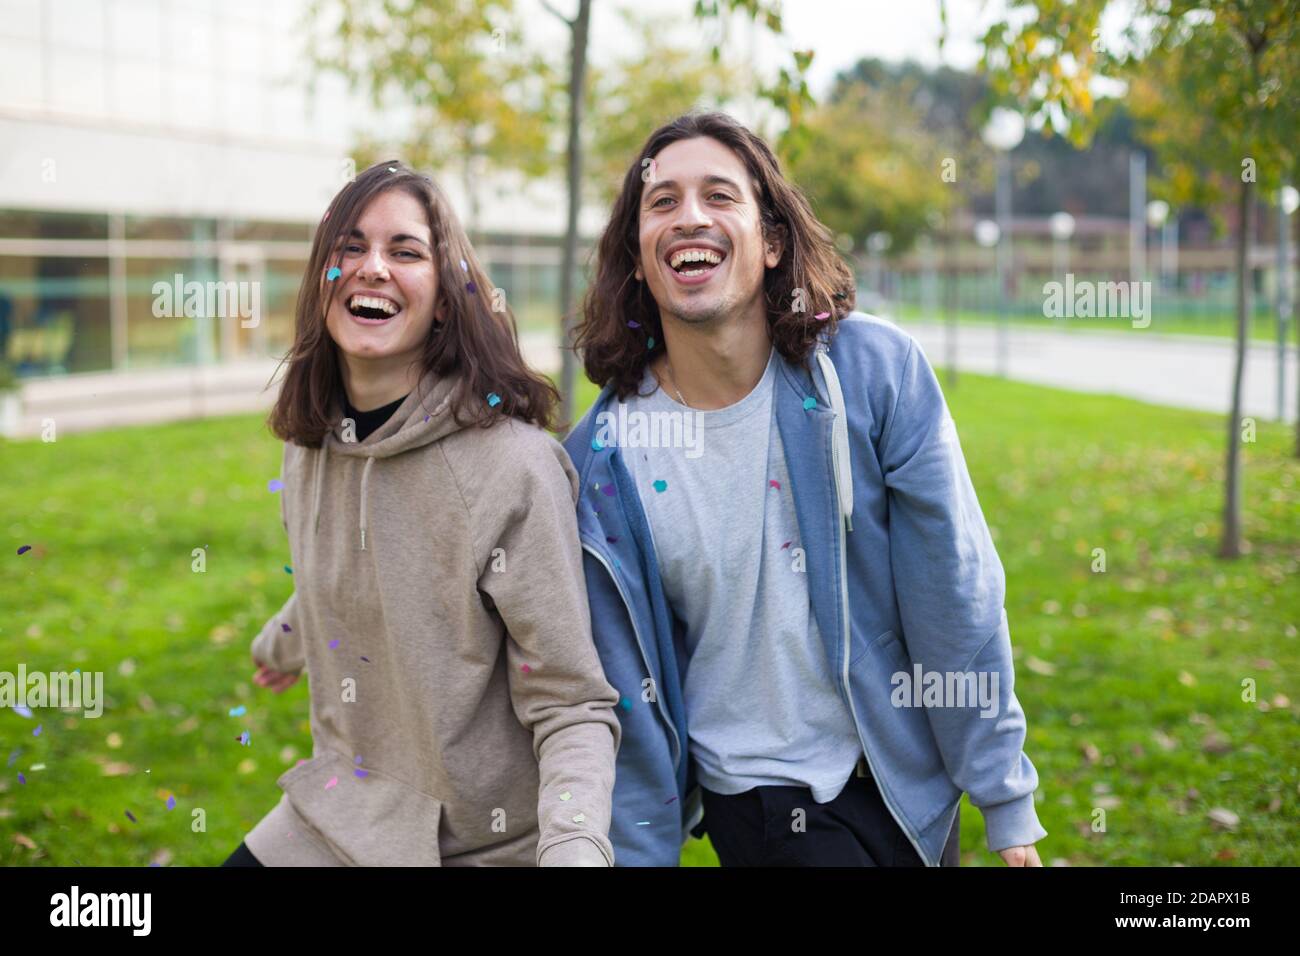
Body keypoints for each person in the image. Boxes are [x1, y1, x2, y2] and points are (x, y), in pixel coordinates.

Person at [563, 112, 1047, 867]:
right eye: (662, 202)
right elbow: (618, 686)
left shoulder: (874, 375)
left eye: (719, 195)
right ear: (636, 257)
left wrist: (1002, 793)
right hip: (762, 802)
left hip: (908, 782)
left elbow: (953, 588)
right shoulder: (602, 464)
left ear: (773, 238)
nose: (690, 215)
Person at [224, 160, 619, 867]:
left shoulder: (512, 468)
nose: (372, 267)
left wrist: (576, 846)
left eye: (405, 251)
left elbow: (570, 700)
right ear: (323, 281)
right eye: (350, 247)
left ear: (444, 299)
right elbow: (356, 573)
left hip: (476, 844)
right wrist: (282, 639)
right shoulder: (312, 447)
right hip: (339, 807)